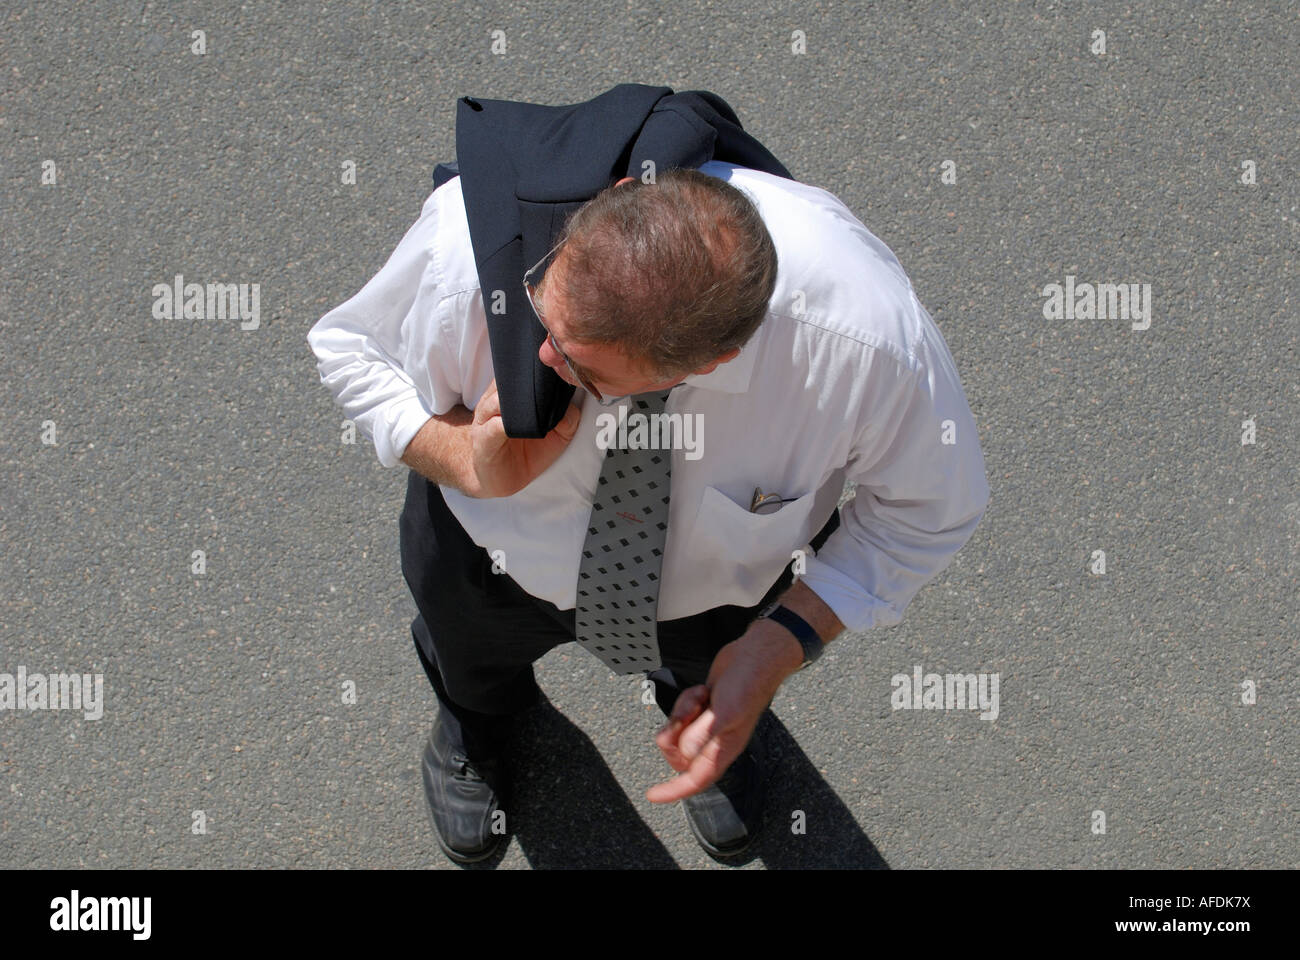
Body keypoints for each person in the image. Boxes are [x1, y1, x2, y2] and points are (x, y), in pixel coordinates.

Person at [308, 163, 990, 863]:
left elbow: (929, 510)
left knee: (708, 671)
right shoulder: (466, 244)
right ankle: (476, 724)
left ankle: (706, 714)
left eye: (582, 369)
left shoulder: (869, 345)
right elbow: (352, 349)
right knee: (469, 659)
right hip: (489, 552)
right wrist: (460, 459)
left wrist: (777, 645)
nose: (541, 357)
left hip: (721, 589)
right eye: (547, 313)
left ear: (711, 362)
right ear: (619, 201)